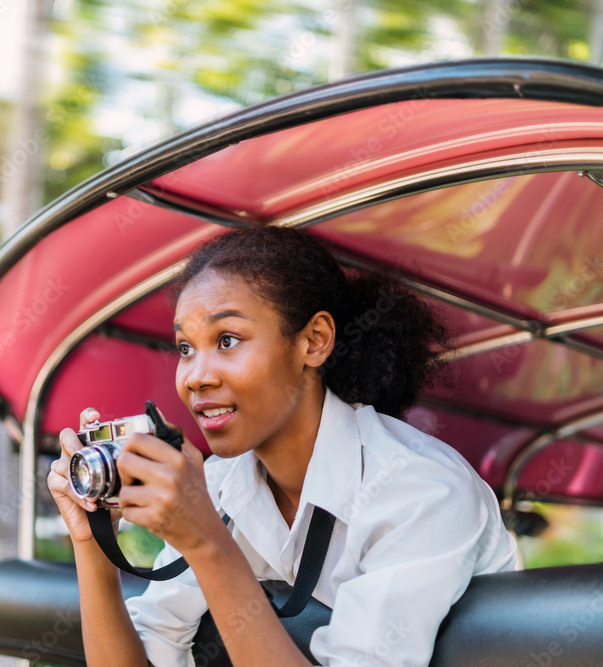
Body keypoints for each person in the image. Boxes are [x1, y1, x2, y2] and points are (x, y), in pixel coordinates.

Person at [47, 225, 518, 667]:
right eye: (186, 348)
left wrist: (205, 539)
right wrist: (92, 542)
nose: (196, 377)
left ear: (314, 341)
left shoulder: (419, 490)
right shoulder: (221, 485)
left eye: (227, 340)